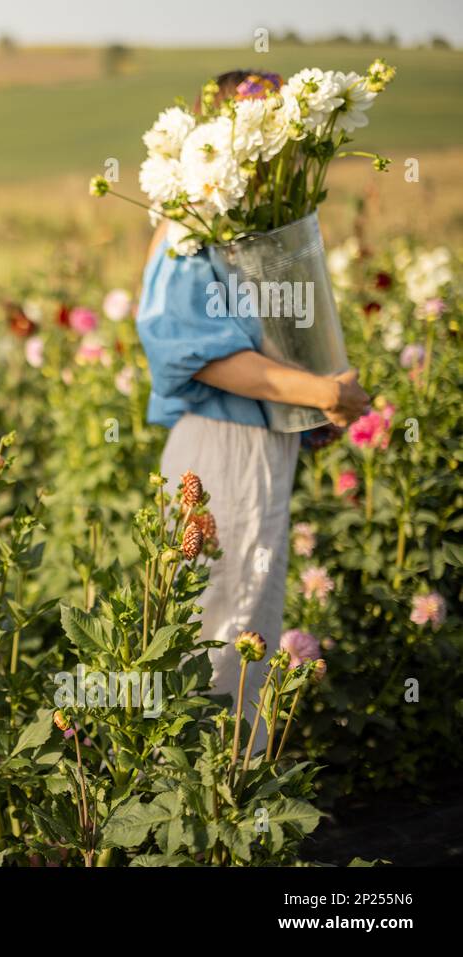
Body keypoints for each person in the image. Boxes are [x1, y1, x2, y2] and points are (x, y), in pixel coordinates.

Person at [136, 70, 370, 716]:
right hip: (221, 445)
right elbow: (195, 349)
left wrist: (320, 393)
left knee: (249, 620)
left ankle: (237, 792)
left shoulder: (254, 221)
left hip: (260, 448)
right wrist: (320, 389)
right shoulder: (191, 222)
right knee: (217, 625)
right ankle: (205, 800)